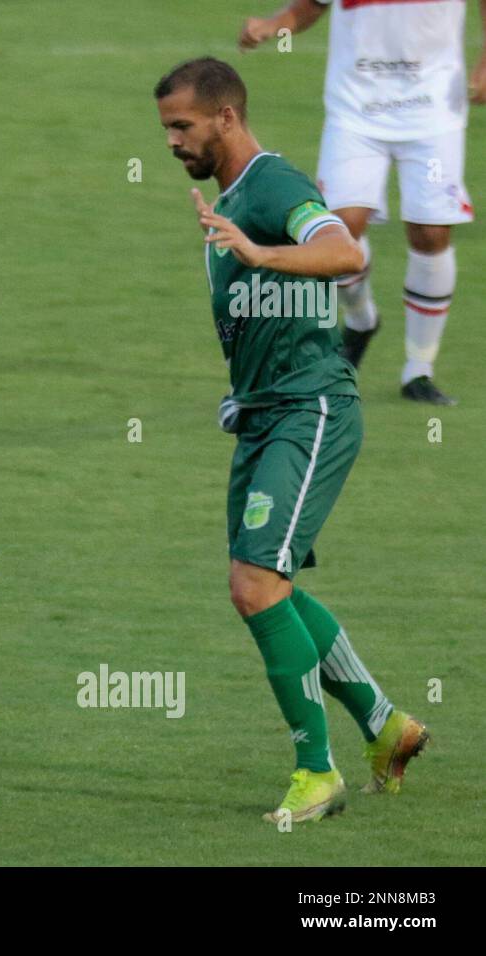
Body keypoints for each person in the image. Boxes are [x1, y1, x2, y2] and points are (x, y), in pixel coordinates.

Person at [155, 57, 428, 823]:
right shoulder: (231, 203)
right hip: (267, 414)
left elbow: (346, 252)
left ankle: (318, 774)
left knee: (256, 585)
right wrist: (240, 393)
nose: (173, 141)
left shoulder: (272, 188)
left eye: (183, 125)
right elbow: (266, 314)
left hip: (312, 412)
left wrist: (259, 250)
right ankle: (386, 726)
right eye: (166, 128)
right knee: (266, 587)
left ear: (227, 118)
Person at [240, 0, 486, 405]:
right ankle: (361, 319)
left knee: (430, 232)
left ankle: (418, 370)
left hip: (435, 111)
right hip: (355, 111)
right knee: (338, 229)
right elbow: (311, 7)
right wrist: (272, 27)